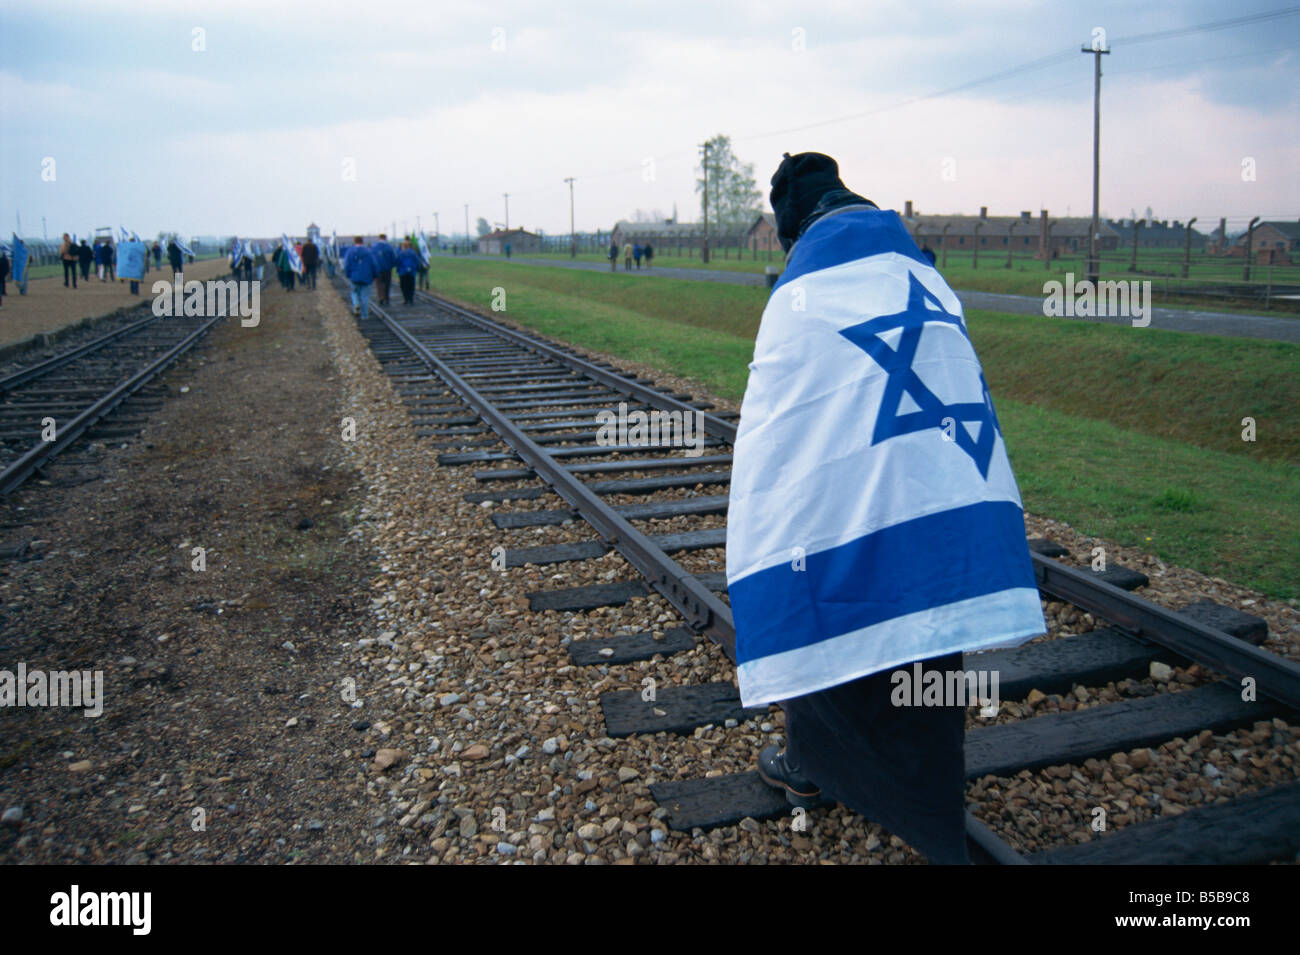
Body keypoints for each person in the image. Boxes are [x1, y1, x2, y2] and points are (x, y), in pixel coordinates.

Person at [731, 152, 1044, 866]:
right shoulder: (922, 275)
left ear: (791, 225)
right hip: (945, 491)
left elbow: (782, 422)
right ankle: (925, 790)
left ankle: (813, 766)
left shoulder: (800, 292)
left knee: (829, 596)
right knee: (930, 619)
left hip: (853, 503)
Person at [343, 236, 377, 318]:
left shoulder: (350, 252)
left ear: (354, 242)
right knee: (365, 297)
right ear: (363, 242)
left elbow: (346, 264)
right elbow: (374, 264)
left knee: (354, 292)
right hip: (366, 277)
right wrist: (375, 275)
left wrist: (347, 274)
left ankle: (356, 304)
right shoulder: (369, 252)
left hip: (354, 277)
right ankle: (364, 315)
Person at [370, 233, 395, 306]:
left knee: (378, 284)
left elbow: (371, 258)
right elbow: (393, 258)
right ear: (385, 238)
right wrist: (391, 266)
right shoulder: (389, 247)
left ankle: (381, 297)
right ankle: (387, 298)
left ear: (379, 238)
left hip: (377, 269)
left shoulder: (373, 247)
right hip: (387, 269)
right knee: (387, 284)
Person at [395, 239, 422, 305]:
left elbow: (398, 262)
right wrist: (418, 269)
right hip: (412, 272)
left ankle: (405, 299)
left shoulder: (401, 253)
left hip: (402, 272)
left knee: (403, 286)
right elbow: (417, 262)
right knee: (411, 286)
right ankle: (411, 298)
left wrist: (398, 270)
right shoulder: (413, 253)